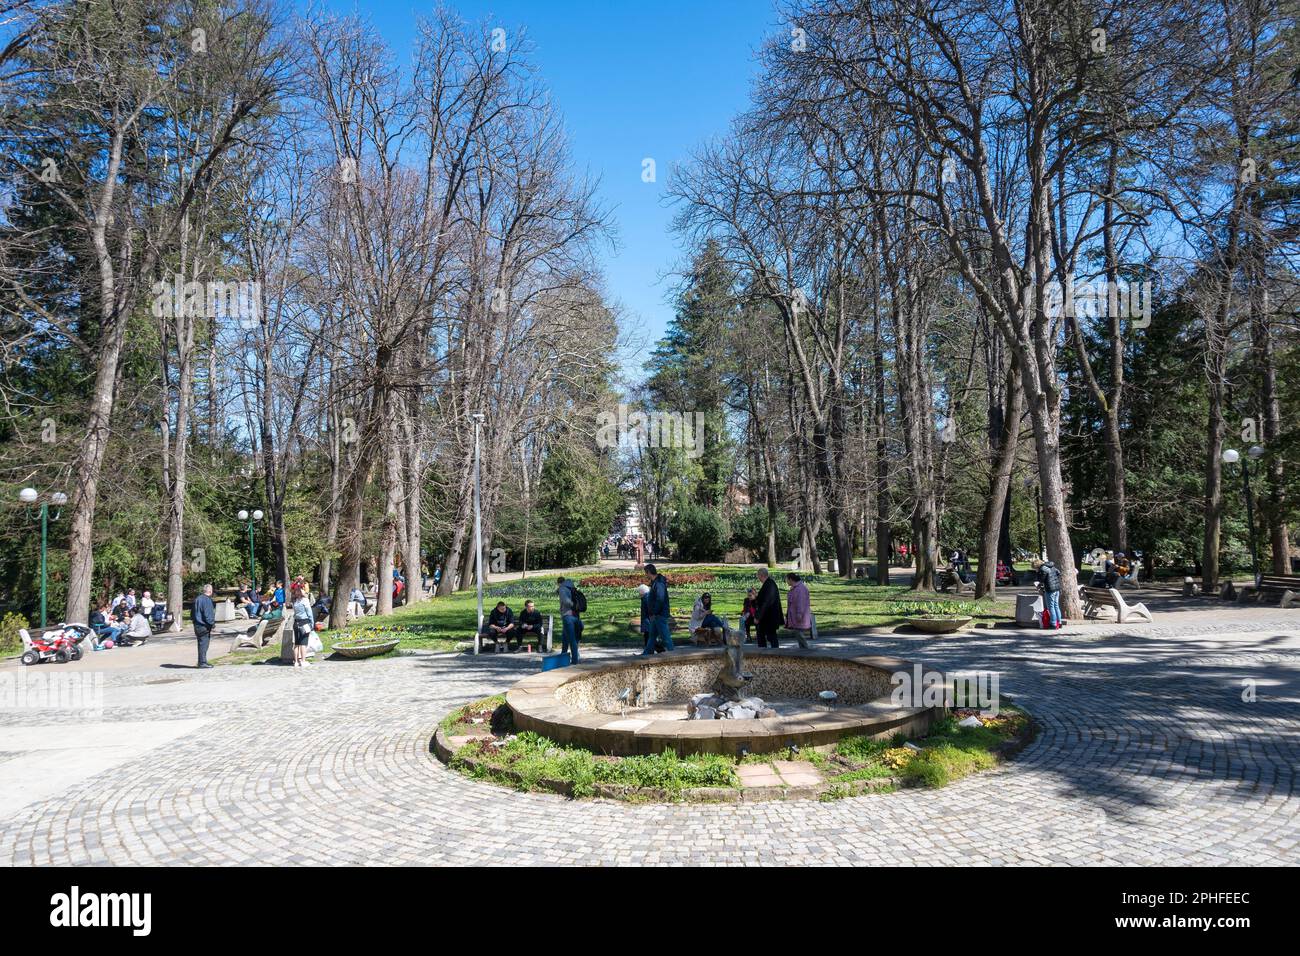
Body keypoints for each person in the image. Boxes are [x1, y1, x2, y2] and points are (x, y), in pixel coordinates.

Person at [641, 563, 673, 657]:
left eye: (645, 573)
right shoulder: (655, 582)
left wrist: (654, 612)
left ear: (649, 572)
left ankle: (673, 654)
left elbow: (660, 599)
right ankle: (646, 654)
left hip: (659, 614)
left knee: (665, 636)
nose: (645, 575)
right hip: (655, 615)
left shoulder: (658, 583)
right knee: (652, 636)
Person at [557, 576, 584, 663]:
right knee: (565, 637)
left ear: (559, 583)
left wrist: (573, 606)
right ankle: (563, 656)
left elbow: (566, 601)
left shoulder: (562, 588)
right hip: (576, 616)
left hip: (567, 616)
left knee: (572, 639)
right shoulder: (572, 587)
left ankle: (575, 660)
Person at [754, 567, 783, 648]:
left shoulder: (769, 585)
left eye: (758, 576)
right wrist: (757, 596)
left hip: (769, 617)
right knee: (765, 636)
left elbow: (766, 603)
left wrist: (758, 617)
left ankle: (774, 654)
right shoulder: (769, 584)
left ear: (761, 575)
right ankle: (767, 653)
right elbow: (764, 599)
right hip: (768, 617)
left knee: (771, 637)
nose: (758, 578)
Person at [784, 573, 812, 648]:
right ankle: (803, 651)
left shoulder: (800, 589)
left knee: (799, 633)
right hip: (794, 615)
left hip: (799, 616)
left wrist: (799, 614)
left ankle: (807, 650)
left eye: (786, 579)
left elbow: (801, 602)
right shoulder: (795, 588)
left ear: (790, 579)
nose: (786, 581)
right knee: (798, 634)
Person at [193, 584, 216, 669]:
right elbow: (208, 614)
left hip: (197, 625)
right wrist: (212, 624)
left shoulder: (197, 599)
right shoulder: (207, 600)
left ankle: (202, 661)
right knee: (204, 644)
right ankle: (202, 662)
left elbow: (193, 613)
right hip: (204, 625)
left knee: (201, 644)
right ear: (210, 591)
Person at [1036, 558, 1063, 629]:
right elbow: (1058, 573)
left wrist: (1038, 573)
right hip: (1057, 588)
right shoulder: (1051, 566)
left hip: (1050, 589)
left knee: (1051, 607)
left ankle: (1053, 623)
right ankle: (1059, 622)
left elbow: (1041, 579)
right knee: (1056, 605)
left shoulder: (1042, 569)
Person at [291, 585, 313, 668]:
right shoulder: (305, 600)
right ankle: (303, 661)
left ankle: (296, 661)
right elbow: (309, 613)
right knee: (303, 643)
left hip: (296, 623)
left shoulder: (295, 601)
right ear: (301, 592)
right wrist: (312, 623)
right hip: (304, 622)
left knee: (296, 643)